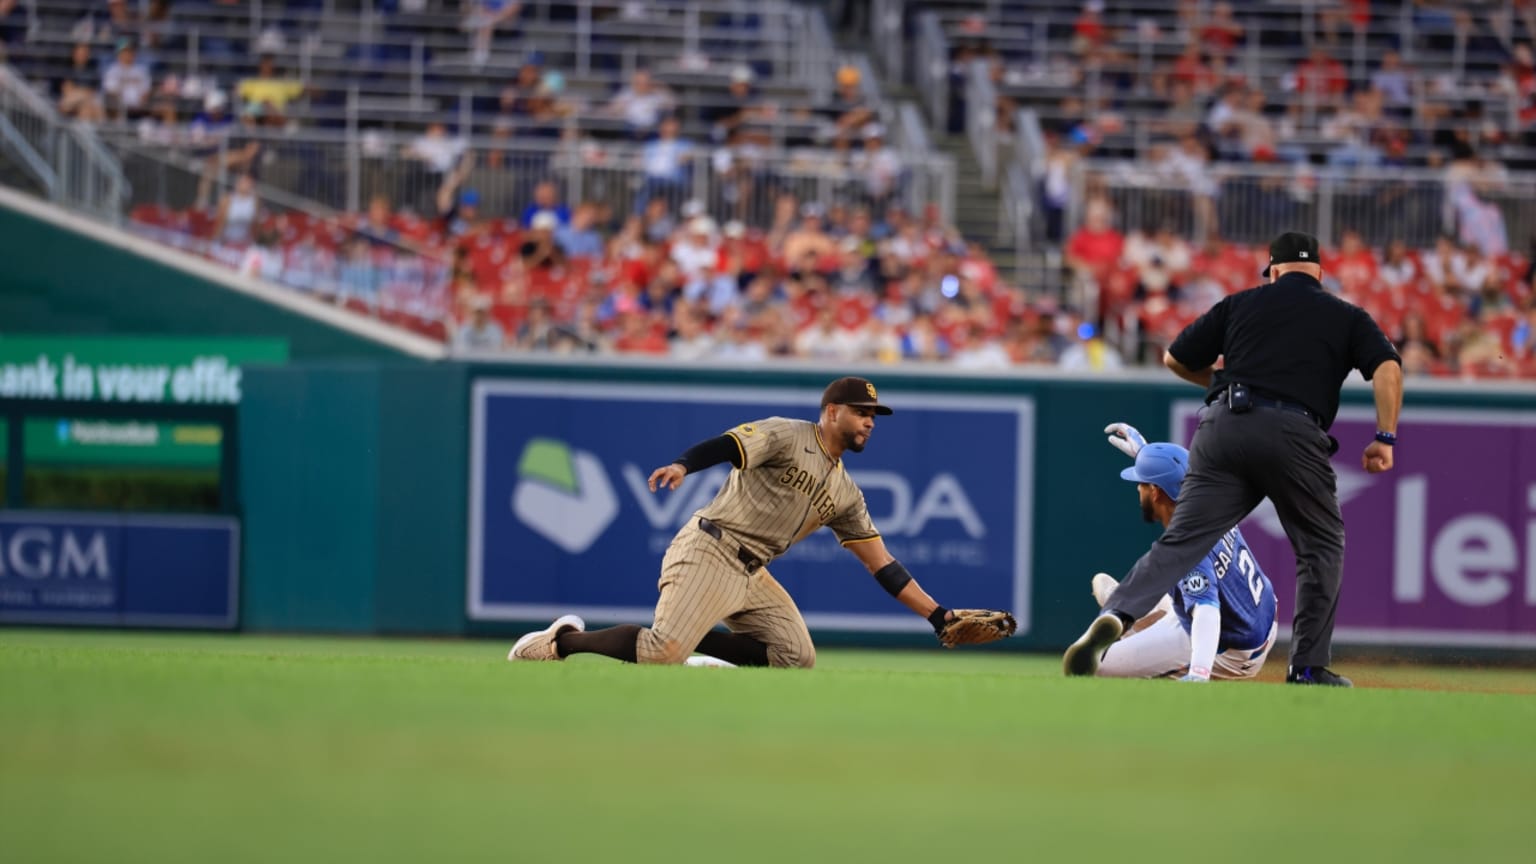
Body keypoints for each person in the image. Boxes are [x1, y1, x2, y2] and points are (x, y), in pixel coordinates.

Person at [1063, 231, 1403, 687]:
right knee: (1320, 547)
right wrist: (1384, 436)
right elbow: (1387, 367)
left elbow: (1174, 358)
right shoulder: (1347, 316)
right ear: (1320, 274)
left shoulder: (1241, 303)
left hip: (1223, 426)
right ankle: (1306, 668)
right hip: (1295, 433)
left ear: (1274, 271)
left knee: (1182, 541)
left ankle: (1116, 616)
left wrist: (1220, 383)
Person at [508, 377, 1009, 668]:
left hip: (753, 573)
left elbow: (883, 566)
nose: (870, 421)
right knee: (662, 652)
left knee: (796, 657)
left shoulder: (846, 493)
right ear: (831, 411)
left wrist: (938, 616)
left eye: (874, 415)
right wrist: (684, 463)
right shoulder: (788, 434)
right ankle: (560, 641)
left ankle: (696, 642)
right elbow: (730, 444)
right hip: (712, 547)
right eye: (861, 411)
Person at [1088, 423, 1278, 682]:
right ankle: (1137, 611)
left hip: (1228, 647)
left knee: (1096, 665)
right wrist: (1146, 455)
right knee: (1175, 582)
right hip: (1259, 617)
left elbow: (1207, 610)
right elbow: (1181, 473)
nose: (1137, 488)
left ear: (1155, 492)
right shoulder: (1212, 501)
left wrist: (1199, 672)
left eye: (1142, 482)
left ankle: (1135, 616)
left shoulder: (1188, 547)